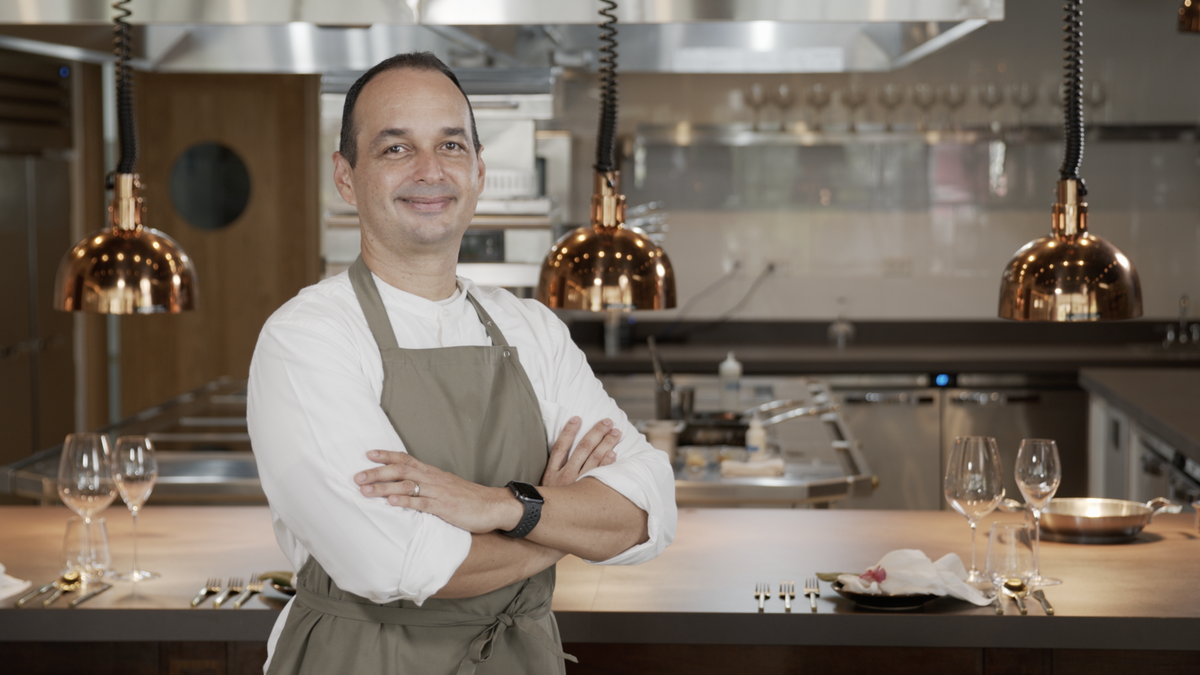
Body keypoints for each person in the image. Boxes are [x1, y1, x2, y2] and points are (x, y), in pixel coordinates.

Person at [247, 52, 677, 675]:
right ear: (345, 176)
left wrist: (506, 507)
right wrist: (558, 521)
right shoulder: (308, 337)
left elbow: (648, 513)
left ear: (477, 170)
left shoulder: (532, 329)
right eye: (396, 149)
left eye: (450, 146)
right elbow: (396, 561)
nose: (430, 171)